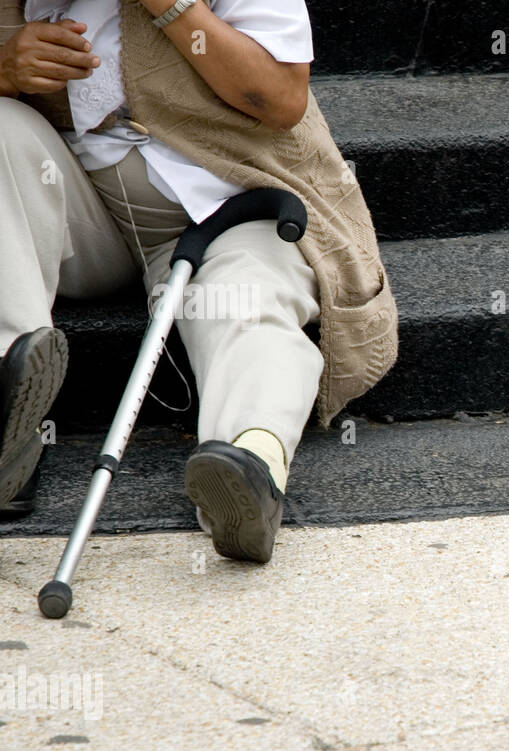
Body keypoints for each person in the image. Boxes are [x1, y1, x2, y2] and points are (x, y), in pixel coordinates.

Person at [0, 0, 398, 561]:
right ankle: (7, 402)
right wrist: (5, 69)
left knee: (245, 301)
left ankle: (248, 463)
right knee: (1, 128)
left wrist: (172, 6)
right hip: (87, 211)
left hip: (233, 200)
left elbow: (282, 98)